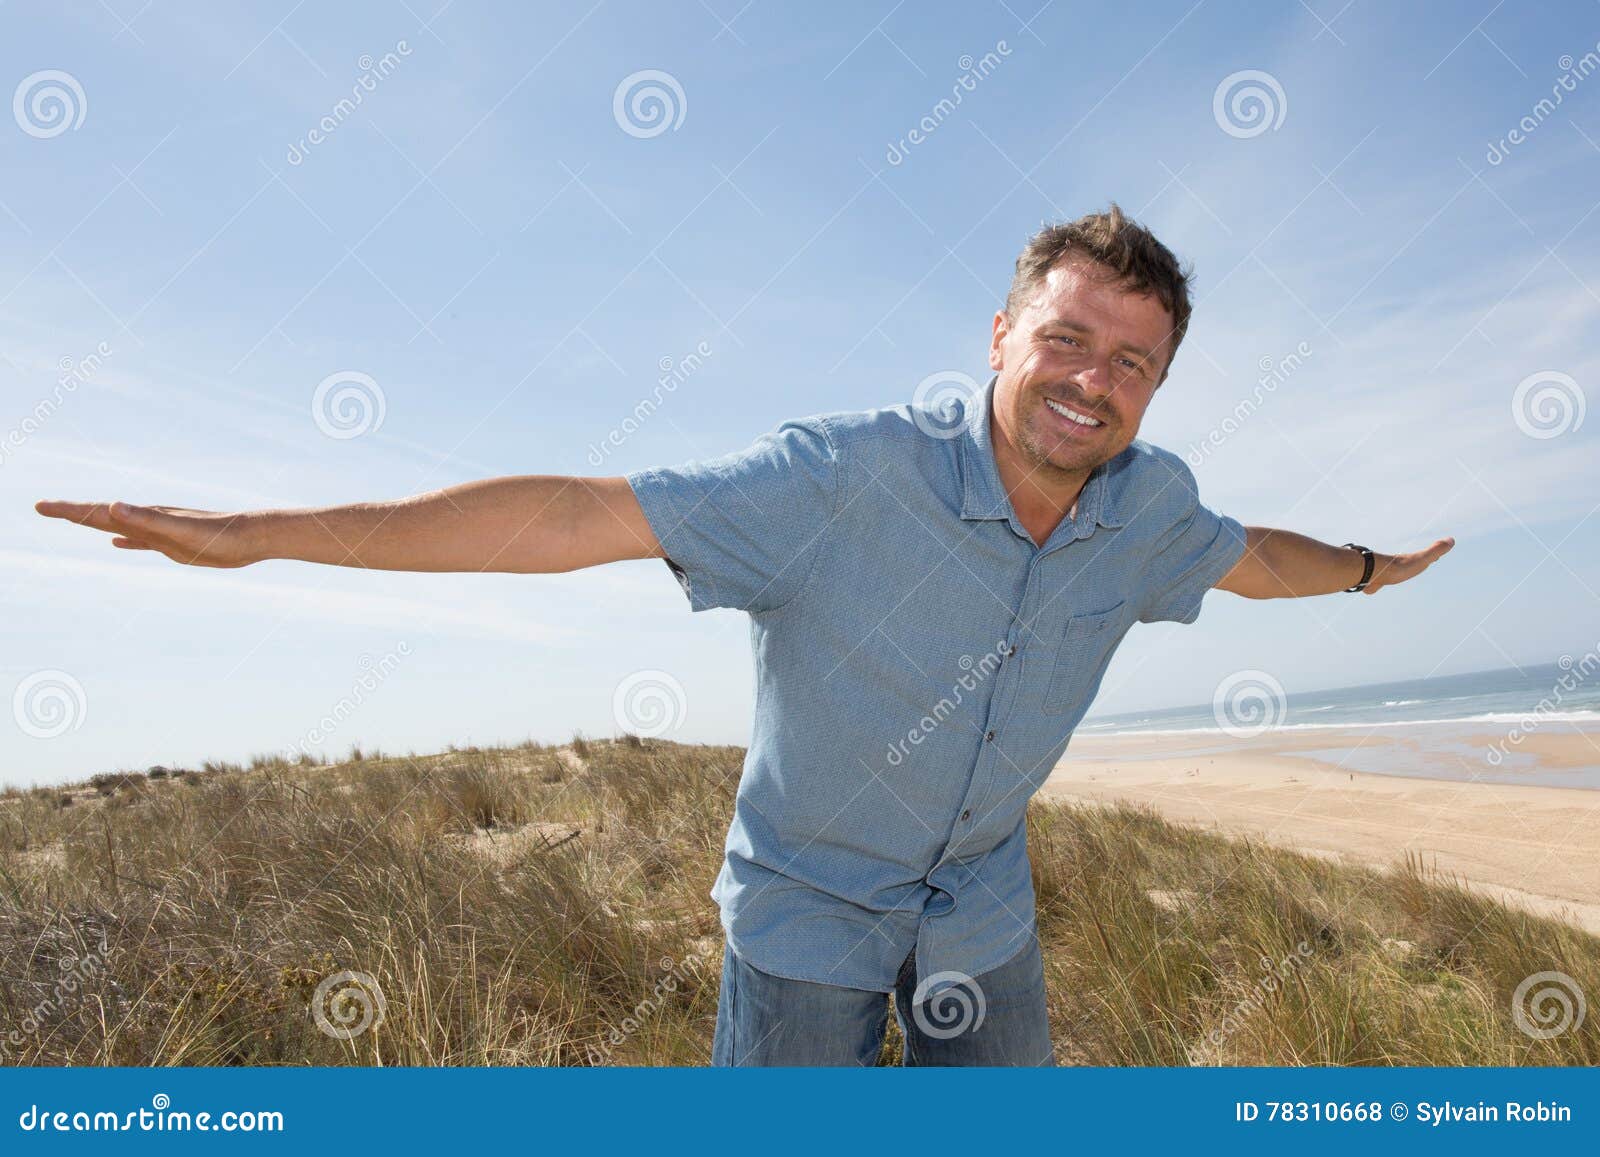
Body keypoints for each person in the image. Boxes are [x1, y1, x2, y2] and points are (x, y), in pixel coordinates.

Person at [35, 203, 1453, 1066]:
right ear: (1000, 335)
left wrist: (1371, 571)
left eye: (1132, 362)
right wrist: (267, 531)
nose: (1095, 380)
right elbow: (573, 513)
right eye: (1067, 340)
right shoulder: (842, 478)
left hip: (981, 907)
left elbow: (1255, 556)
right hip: (805, 913)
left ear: (1157, 387)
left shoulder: (1149, 510)